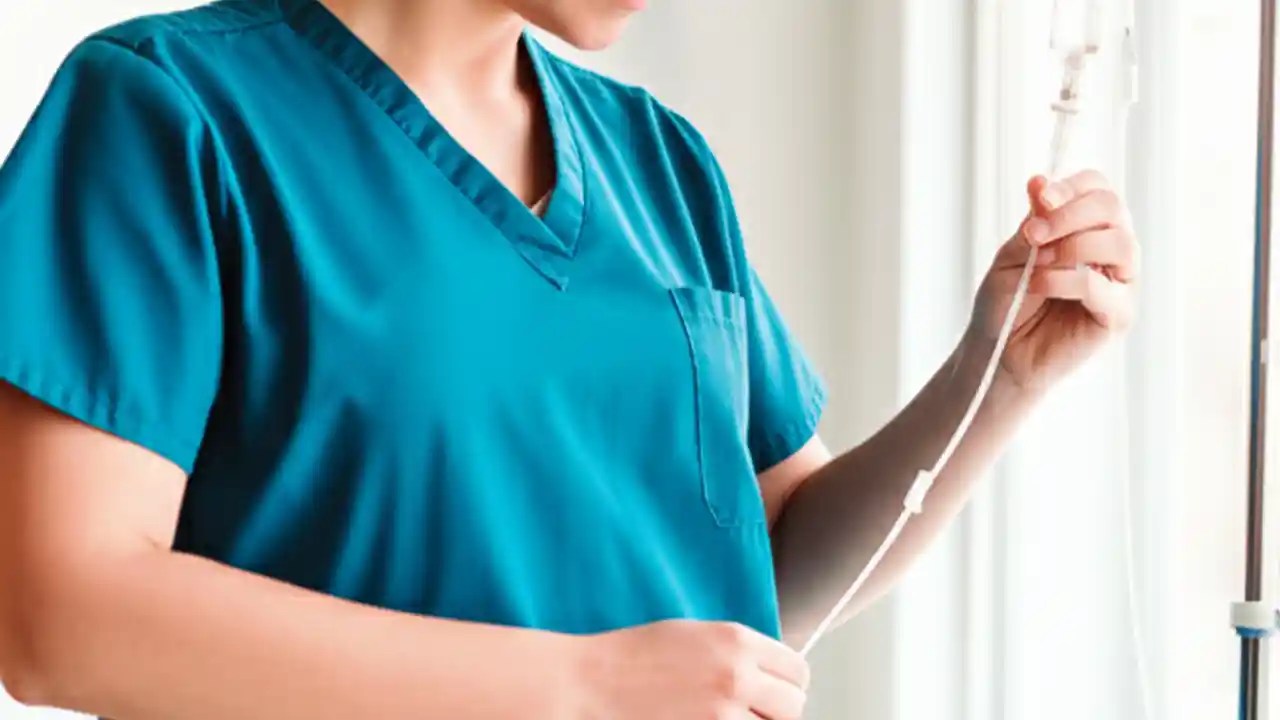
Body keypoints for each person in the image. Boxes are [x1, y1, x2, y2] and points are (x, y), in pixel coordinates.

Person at [0, 0, 1139, 717]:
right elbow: (59, 619)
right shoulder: (172, 109)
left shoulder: (659, 162)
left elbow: (768, 580)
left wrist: (996, 379)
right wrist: (580, 688)